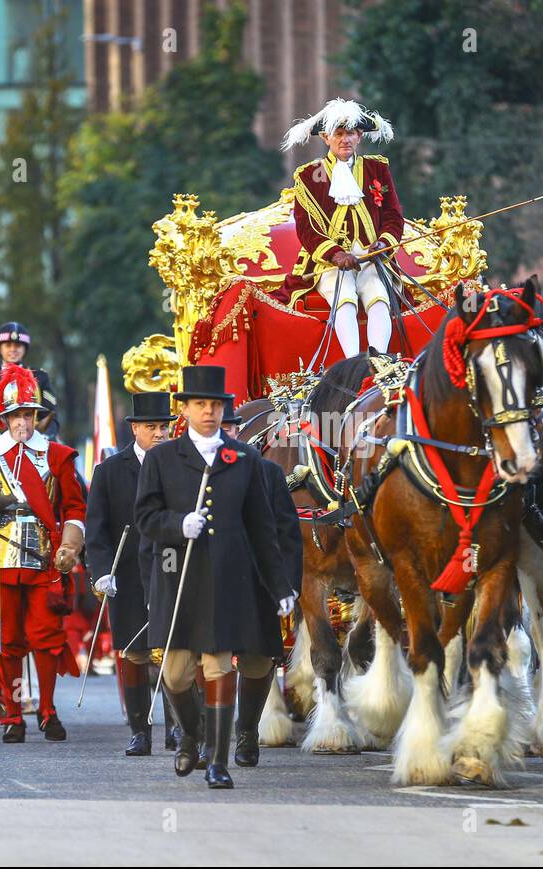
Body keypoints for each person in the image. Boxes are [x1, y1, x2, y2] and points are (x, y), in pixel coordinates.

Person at [134, 365, 295, 789]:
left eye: (216, 404)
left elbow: (263, 529)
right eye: (200, 404)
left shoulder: (244, 459)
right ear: (184, 409)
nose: (209, 411)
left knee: (220, 667)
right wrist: (175, 524)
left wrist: (280, 587)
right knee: (175, 674)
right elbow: (145, 518)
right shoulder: (161, 458)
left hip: (227, 579)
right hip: (179, 580)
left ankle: (217, 762)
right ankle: (191, 732)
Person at [0, 365, 87, 742]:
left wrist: (69, 545)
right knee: (6, 637)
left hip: (43, 555)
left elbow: (74, 508)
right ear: (3, 419)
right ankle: (13, 713)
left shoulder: (59, 455)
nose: (22, 422)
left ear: (37, 417)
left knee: (46, 634)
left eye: (28, 414)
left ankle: (47, 710)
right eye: (15, 415)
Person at [278, 98, 404, 357]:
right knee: (343, 295)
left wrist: (382, 245)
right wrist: (335, 254)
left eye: (351, 133)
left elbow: (393, 216)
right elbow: (306, 229)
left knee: (379, 295)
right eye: (339, 133)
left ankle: (377, 361)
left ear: (359, 137)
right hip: (328, 263)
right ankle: (354, 362)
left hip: (372, 258)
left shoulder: (377, 169)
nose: (345, 139)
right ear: (326, 138)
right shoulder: (308, 175)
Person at [86, 391, 175, 756]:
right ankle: (140, 730)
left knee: (175, 650)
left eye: (163, 427)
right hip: (126, 573)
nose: (158, 433)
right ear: (135, 428)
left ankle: (179, 728)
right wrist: (102, 573)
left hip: (169, 568)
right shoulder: (108, 471)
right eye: (151, 427)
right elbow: (96, 530)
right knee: (135, 653)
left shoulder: (181, 467)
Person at [221, 399, 303, 768]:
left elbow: (287, 533)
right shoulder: (181, 468)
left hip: (256, 583)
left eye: (229, 428)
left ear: (239, 431)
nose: (224, 435)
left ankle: (247, 730)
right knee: (205, 662)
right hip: (207, 581)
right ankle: (206, 734)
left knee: (256, 662)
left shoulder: (267, 472)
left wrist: (288, 586)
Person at [0, 322, 59, 439]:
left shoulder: (40, 377)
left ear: (24, 349)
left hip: (34, 440)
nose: (13, 349)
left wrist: (46, 436)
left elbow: (50, 415)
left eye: (17, 345)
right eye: (8, 345)